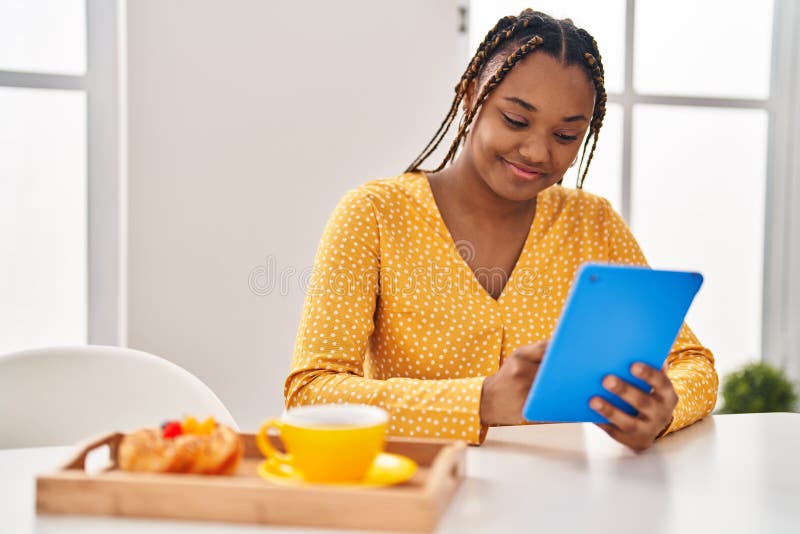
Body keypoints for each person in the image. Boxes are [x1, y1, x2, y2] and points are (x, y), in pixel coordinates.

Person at [284, 9, 718, 451]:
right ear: (472, 96)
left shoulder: (593, 224)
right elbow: (310, 393)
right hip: (417, 501)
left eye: (566, 135)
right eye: (515, 120)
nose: (536, 151)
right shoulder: (374, 214)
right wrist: (480, 401)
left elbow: (692, 363)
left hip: (558, 508)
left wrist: (665, 409)